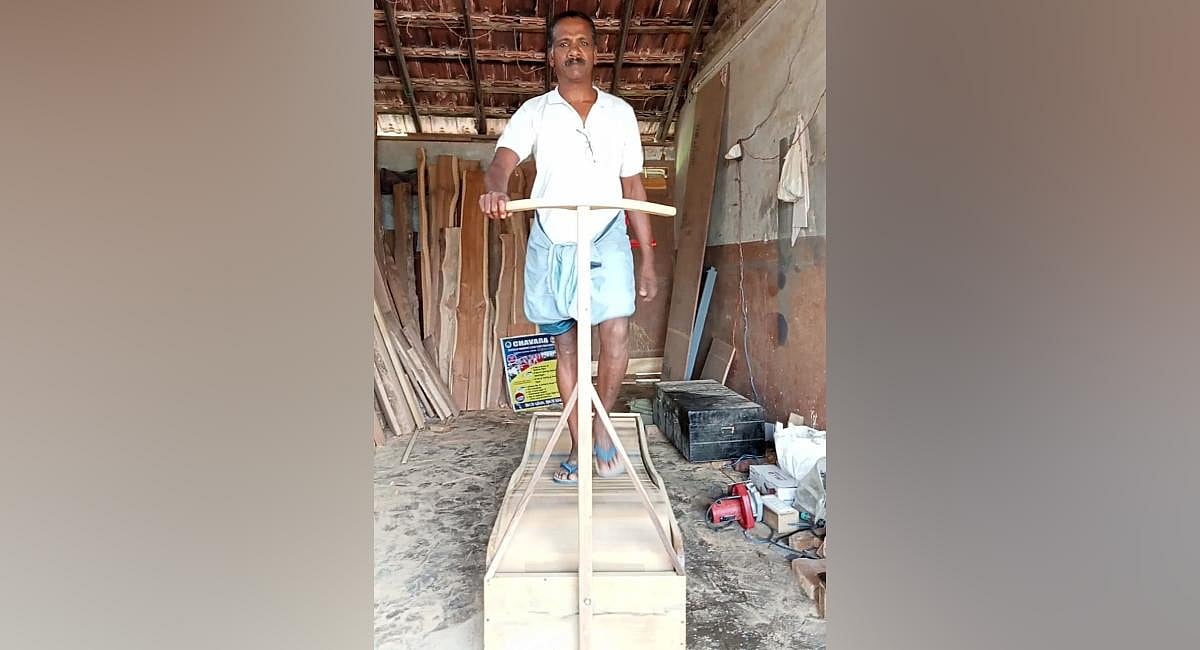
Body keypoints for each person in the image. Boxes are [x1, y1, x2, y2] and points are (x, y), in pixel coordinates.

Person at [479, 10, 657, 485]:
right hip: (553, 239)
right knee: (567, 346)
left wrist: (648, 260)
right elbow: (502, 162)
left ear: (595, 52)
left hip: (606, 235)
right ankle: (579, 445)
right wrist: (496, 186)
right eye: (563, 43)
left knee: (616, 332)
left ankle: (602, 427)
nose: (573, 49)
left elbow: (633, 186)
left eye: (582, 41)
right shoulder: (535, 112)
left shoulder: (620, 113)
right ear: (551, 55)